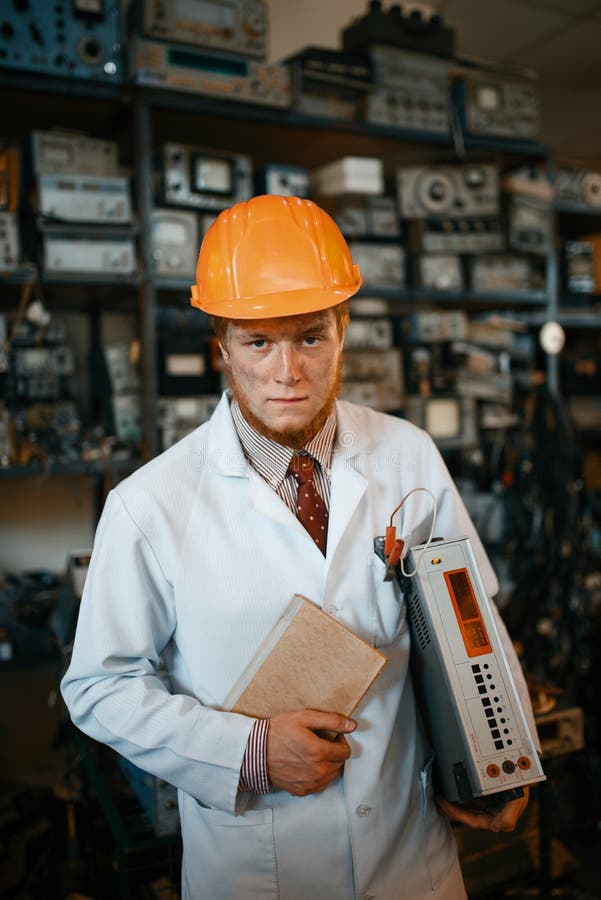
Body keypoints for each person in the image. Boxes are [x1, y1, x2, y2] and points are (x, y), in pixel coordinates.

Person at [62, 194, 534, 900]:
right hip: (260, 870)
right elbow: (99, 687)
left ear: (342, 332)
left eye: (310, 337)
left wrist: (500, 758)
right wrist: (247, 753)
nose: (287, 371)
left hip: (411, 856)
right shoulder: (149, 505)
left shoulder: (407, 456)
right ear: (221, 347)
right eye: (258, 342)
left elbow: (476, 628)